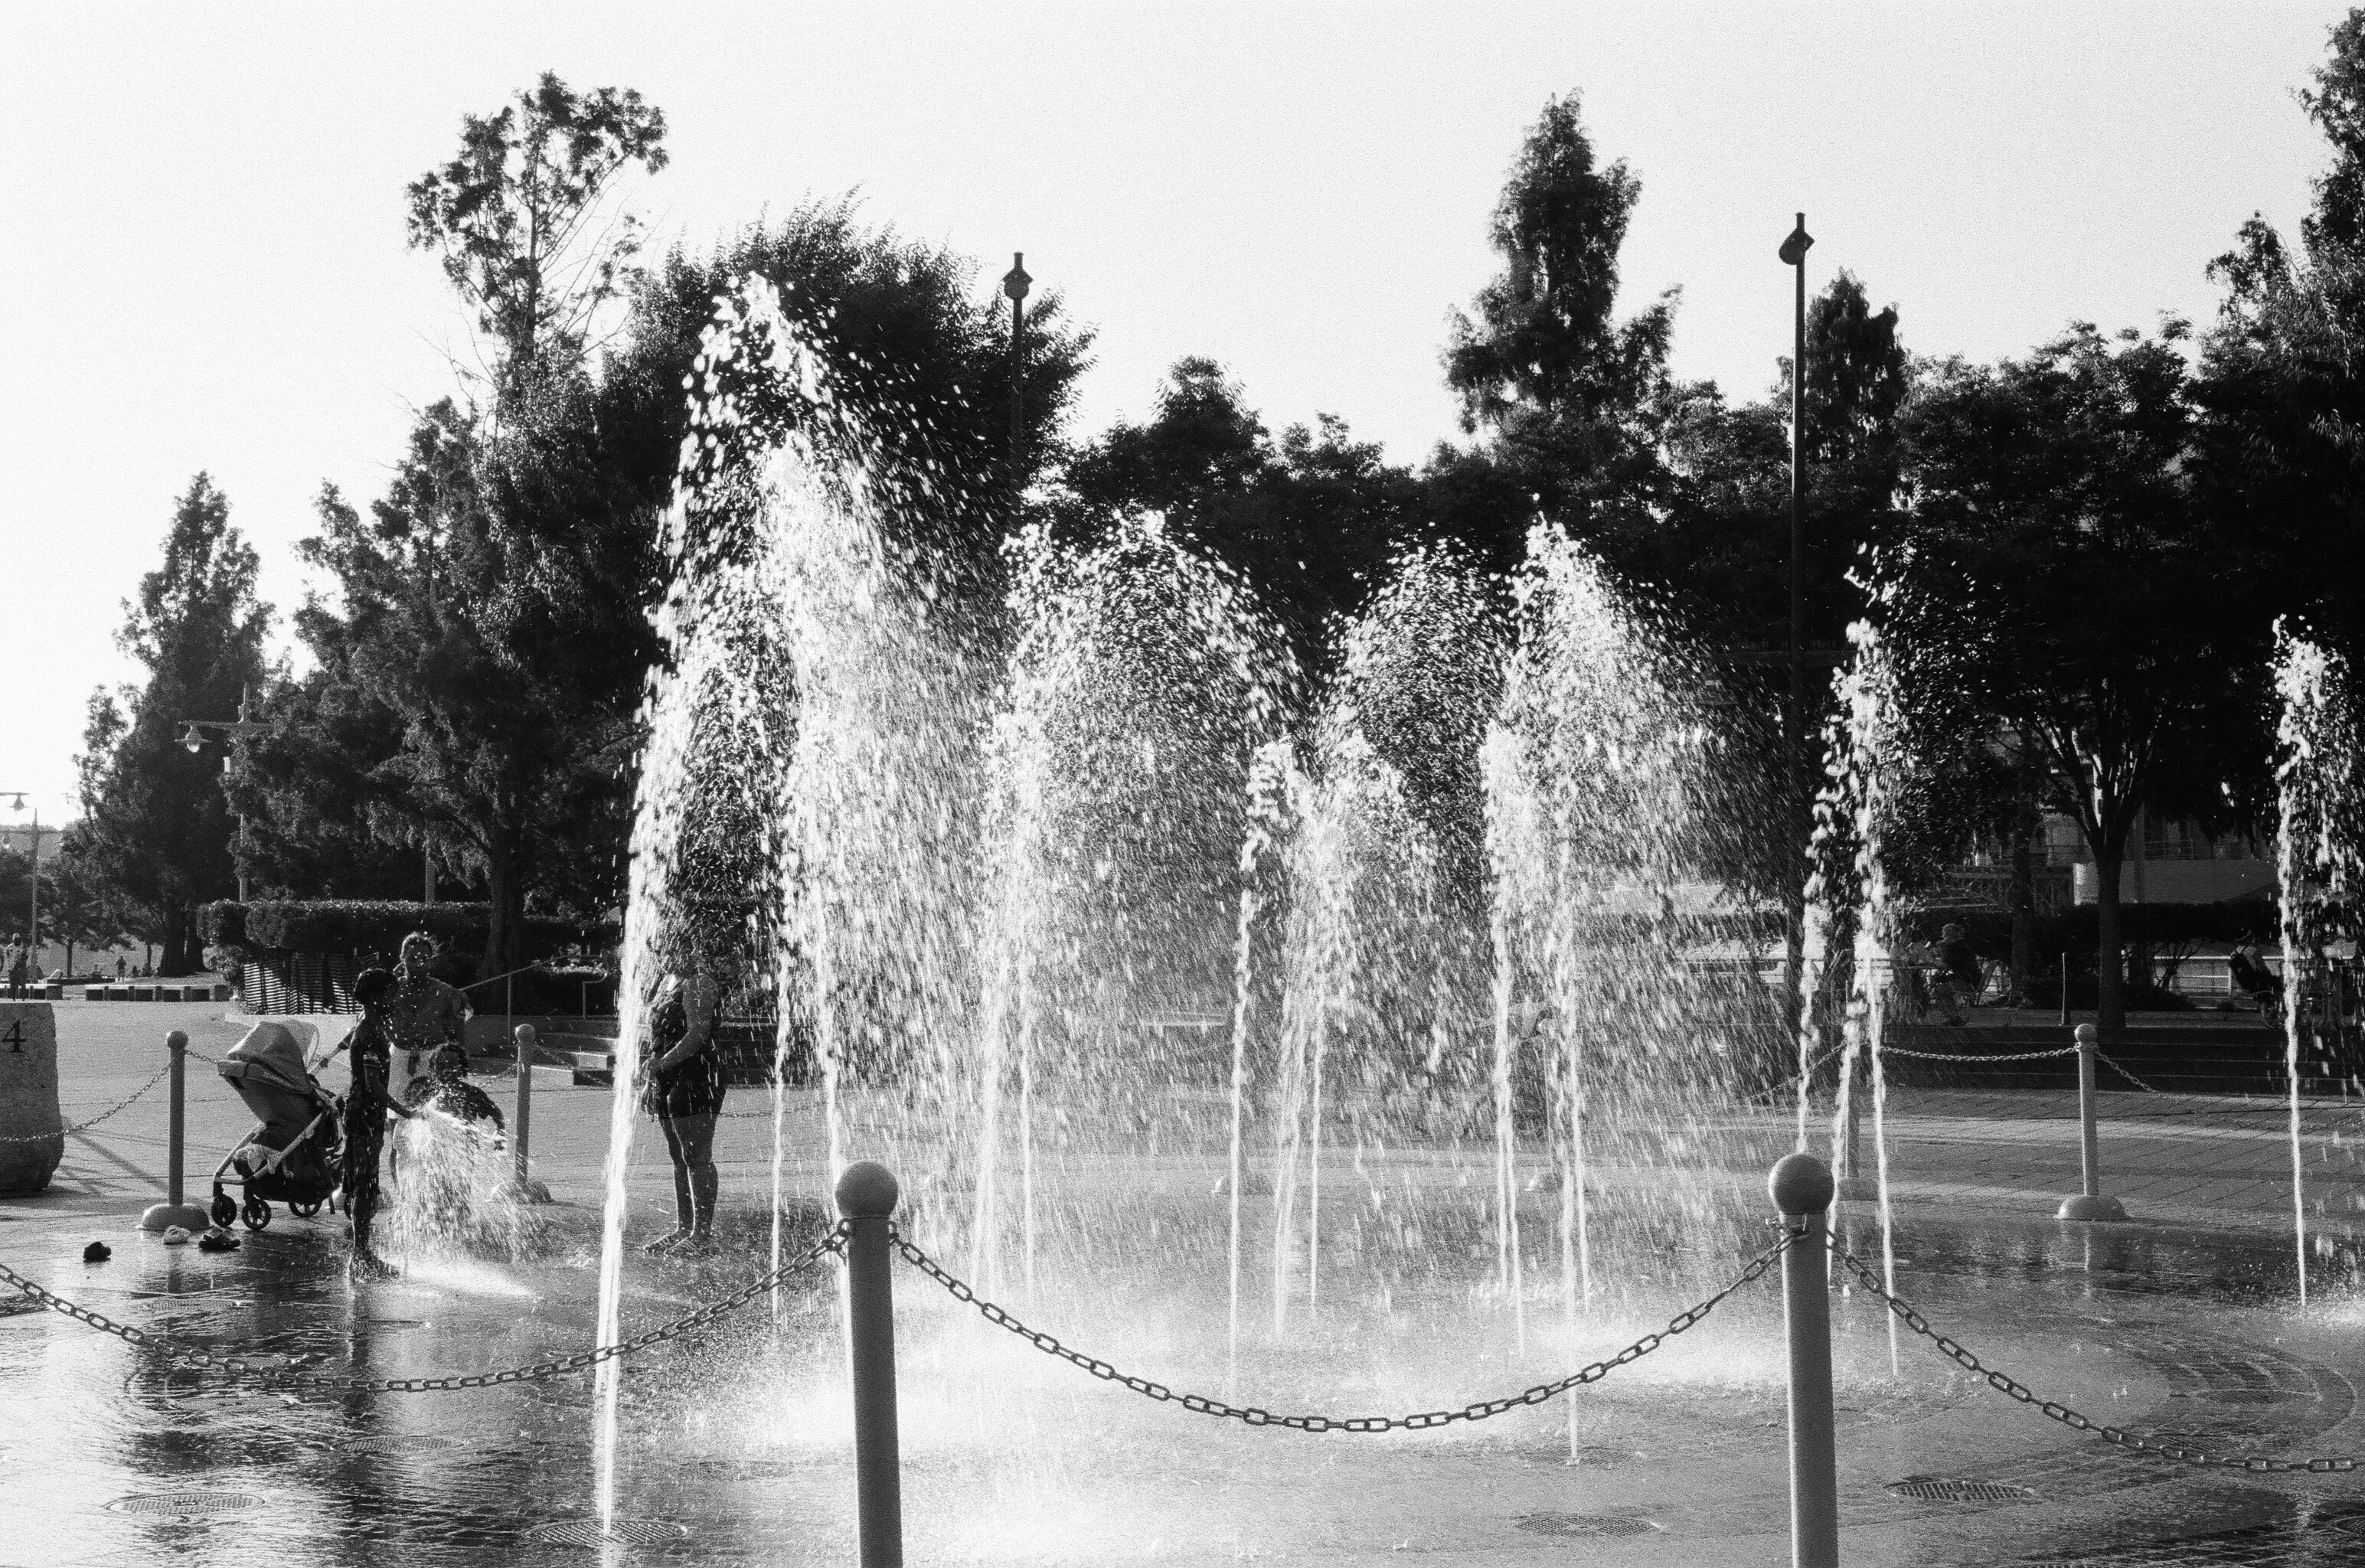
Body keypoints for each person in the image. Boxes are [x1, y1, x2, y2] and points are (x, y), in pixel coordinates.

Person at [641, 956, 725, 1256]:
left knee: (697, 1155)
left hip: (697, 1073)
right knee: (678, 1156)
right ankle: (683, 1228)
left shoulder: (699, 982)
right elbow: (658, 1038)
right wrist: (653, 1080)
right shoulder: (670, 982)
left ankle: (702, 1233)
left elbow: (698, 1034)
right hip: (669, 1074)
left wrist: (664, 1063)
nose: (661, 952)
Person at [342, 967, 418, 1281]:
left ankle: (363, 1254)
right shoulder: (370, 1033)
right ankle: (360, 1257)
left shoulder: (370, 1026)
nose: (396, 998)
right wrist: (404, 1110)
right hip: (364, 1113)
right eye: (391, 993)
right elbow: (373, 1084)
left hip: (366, 1112)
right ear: (377, 997)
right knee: (365, 1183)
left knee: (367, 1182)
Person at [382, 932, 473, 1106]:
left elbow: (459, 1029)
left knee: (432, 1114)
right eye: (412, 958)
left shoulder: (446, 993)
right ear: (402, 958)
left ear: (432, 959)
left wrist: (459, 1063)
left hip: (434, 1058)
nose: (419, 964)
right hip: (398, 1057)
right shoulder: (391, 989)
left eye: (424, 958)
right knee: (395, 1112)